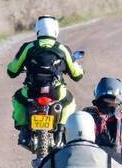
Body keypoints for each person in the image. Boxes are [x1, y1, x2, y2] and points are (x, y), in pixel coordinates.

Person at [7, 16, 84, 150]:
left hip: (31, 91)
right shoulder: (62, 48)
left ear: (37, 29)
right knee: (69, 102)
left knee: (17, 99)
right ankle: (60, 132)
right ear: (56, 30)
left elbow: (12, 71)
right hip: (56, 92)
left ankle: (25, 131)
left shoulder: (28, 47)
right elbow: (77, 75)